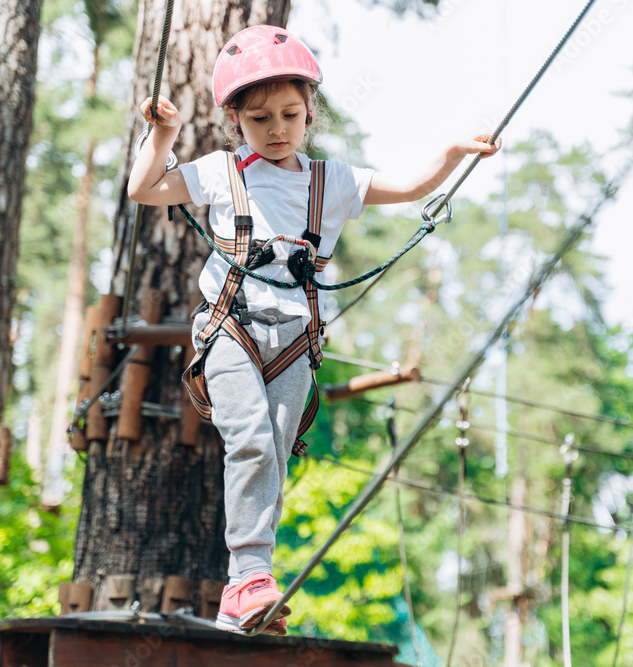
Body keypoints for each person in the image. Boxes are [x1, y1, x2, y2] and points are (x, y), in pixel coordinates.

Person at [127, 24, 499, 636]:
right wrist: (163, 133)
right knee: (248, 439)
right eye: (259, 119)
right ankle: (247, 575)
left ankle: (247, 587)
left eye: (290, 114)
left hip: (297, 339)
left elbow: (410, 186)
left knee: (271, 451)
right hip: (231, 330)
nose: (276, 129)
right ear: (236, 123)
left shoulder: (333, 183)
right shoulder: (222, 173)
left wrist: (453, 154)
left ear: (309, 112)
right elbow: (146, 187)